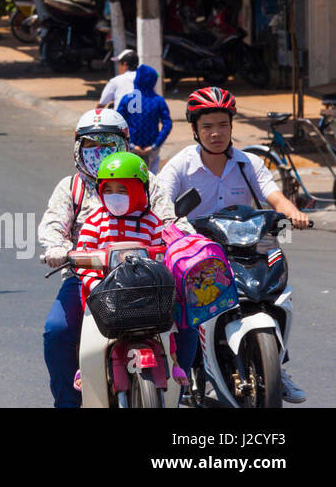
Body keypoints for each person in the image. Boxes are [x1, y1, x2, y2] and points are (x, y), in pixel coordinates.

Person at [150, 87, 311, 403]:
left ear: (232, 127)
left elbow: (272, 195)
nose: (216, 133)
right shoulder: (180, 165)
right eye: (208, 126)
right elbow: (159, 204)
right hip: (197, 253)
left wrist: (292, 211)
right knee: (184, 311)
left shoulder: (247, 163)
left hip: (246, 249)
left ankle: (277, 366)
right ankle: (189, 373)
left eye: (223, 125)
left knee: (272, 296)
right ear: (195, 129)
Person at [37, 107, 131, 407]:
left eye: (108, 144)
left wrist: (187, 240)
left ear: (124, 145)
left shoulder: (145, 180)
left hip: (140, 280)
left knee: (184, 326)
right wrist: (57, 247)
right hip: (84, 280)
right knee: (57, 331)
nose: (99, 152)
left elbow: (169, 221)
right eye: (91, 144)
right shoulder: (71, 188)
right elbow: (53, 224)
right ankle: (68, 402)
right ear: (78, 147)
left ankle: (175, 394)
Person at [76, 151, 195, 386]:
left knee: (170, 319)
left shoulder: (152, 222)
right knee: (89, 326)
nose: (114, 196)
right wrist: (91, 279)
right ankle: (85, 367)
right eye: (108, 190)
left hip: (145, 291)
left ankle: (174, 360)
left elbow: (163, 252)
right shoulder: (94, 221)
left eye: (123, 190)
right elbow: (82, 254)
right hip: (104, 293)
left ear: (141, 190)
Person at [115, 64, 172, 172]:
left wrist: (130, 144)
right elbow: (167, 124)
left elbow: (117, 123)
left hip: (130, 148)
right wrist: (155, 145)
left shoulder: (127, 99)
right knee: (152, 179)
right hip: (151, 149)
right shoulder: (158, 100)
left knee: (130, 176)